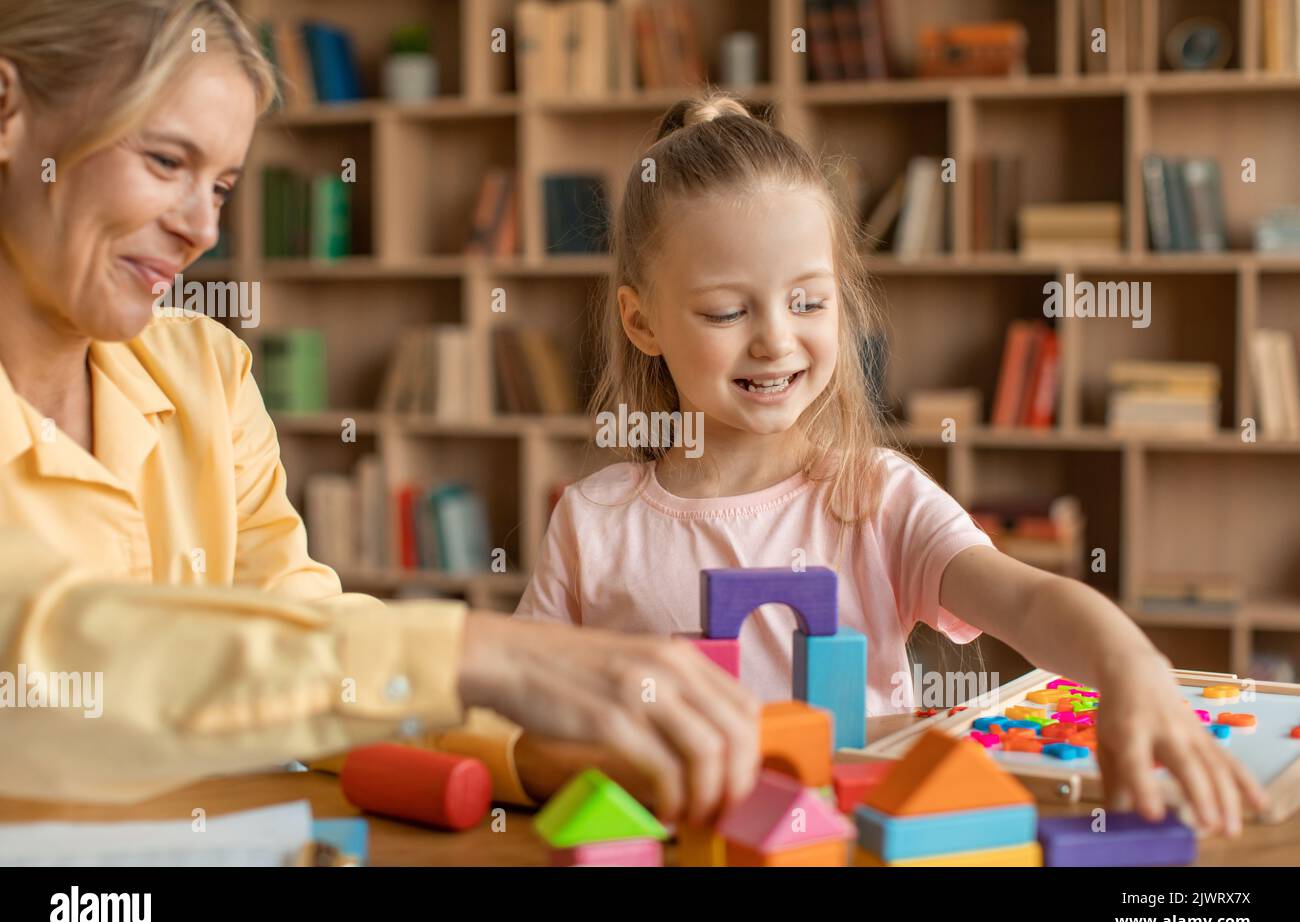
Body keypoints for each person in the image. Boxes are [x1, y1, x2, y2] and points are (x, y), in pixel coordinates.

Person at [0, 0, 758, 824]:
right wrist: (474, 652)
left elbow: (300, 643)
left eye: (220, 185)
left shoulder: (204, 372)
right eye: (164, 161)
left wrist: (531, 755)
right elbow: (39, 659)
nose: (201, 229)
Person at [514, 92, 1269, 834]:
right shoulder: (593, 522)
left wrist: (1129, 666)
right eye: (727, 312)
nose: (776, 339)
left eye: (808, 303)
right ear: (641, 320)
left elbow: (1026, 601)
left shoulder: (875, 496)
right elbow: (517, 717)